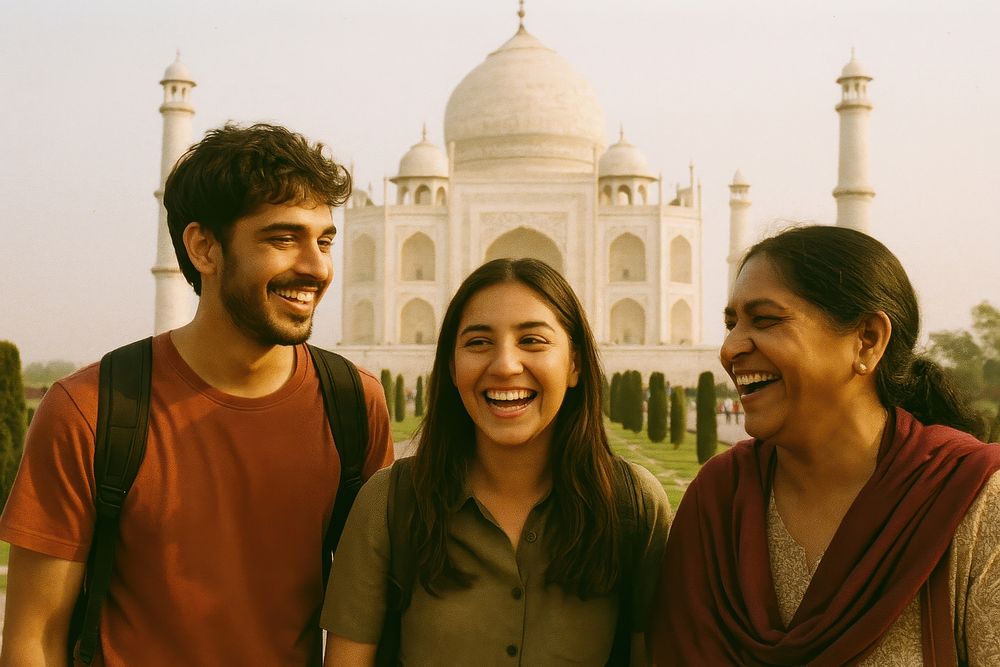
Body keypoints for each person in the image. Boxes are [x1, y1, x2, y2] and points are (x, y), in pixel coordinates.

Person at [0, 123, 394, 666]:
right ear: (204, 248)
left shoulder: (352, 404)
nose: (317, 266)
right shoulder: (91, 409)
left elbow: (370, 612)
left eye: (324, 240)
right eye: (283, 238)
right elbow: (33, 639)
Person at [652, 225, 1000, 665]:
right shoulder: (721, 498)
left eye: (766, 320)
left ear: (868, 339)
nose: (730, 347)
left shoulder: (968, 500)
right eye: (730, 324)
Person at [321, 258, 672, 666]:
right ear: (451, 367)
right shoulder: (389, 504)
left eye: (533, 341)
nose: (505, 365)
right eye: (478, 342)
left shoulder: (631, 506)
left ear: (574, 364)